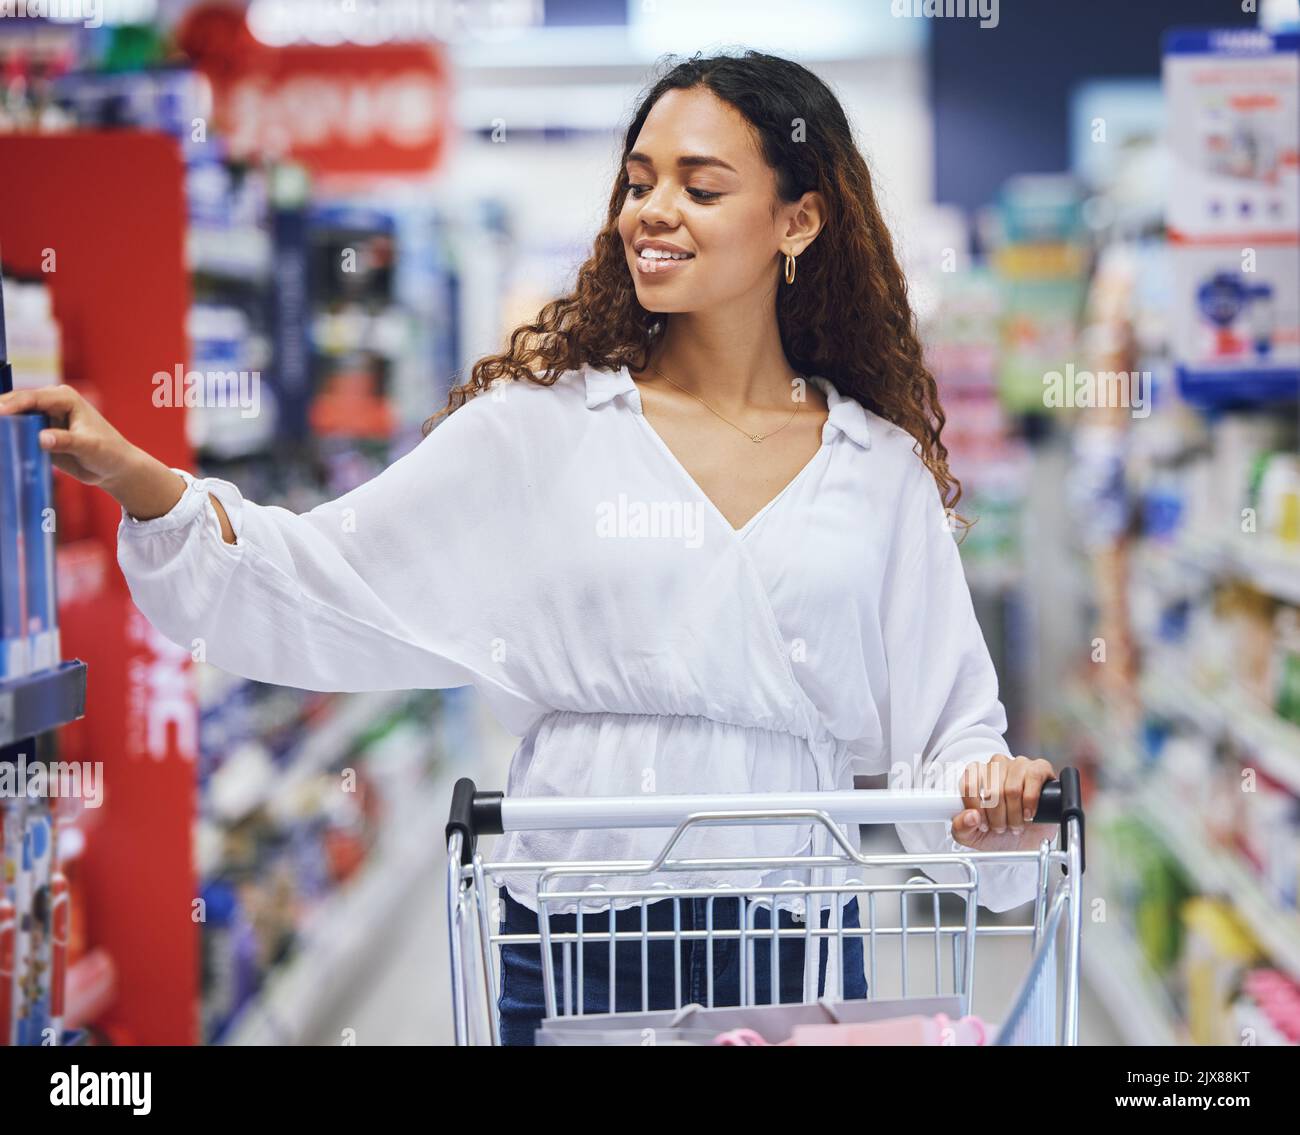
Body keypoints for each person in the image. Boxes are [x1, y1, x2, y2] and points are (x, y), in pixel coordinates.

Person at [0, 50, 1058, 1047]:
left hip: (799, 935)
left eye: (700, 185)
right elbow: (330, 573)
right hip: (570, 926)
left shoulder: (872, 468)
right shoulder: (543, 428)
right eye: (639, 180)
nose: (652, 209)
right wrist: (148, 486)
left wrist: (991, 786)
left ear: (798, 219)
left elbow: (947, 724)